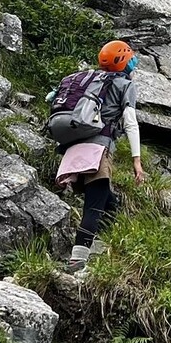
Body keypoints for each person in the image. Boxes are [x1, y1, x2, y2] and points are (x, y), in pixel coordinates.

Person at [58, 39, 144, 274]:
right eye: (131, 58)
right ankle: (78, 259)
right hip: (97, 150)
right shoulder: (124, 84)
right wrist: (136, 160)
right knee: (94, 207)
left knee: (110, 205)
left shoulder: (88, 79)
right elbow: (130, 122)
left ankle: (99, 254)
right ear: (125, 61)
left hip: (74, 147)